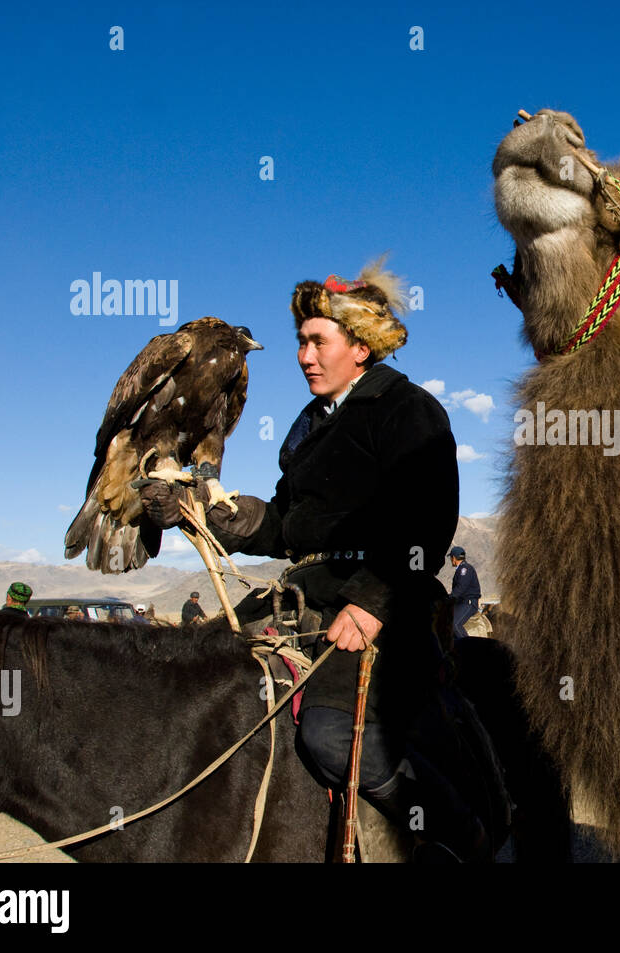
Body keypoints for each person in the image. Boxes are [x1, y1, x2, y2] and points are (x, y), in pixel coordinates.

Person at [139, 263, 495, 861]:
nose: (303, 355)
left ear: (360, 346)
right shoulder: (308, 429)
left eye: (317, 341)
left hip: (382, 600)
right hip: (300, 596)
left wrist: (369, 603)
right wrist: (214, 509)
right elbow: (283, 525)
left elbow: (427, 520)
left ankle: (457, 833)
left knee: (331, 737)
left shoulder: (406, 408)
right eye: (301, 341)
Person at [447, 546, 481, 642]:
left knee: (455, 624)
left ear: (453, 558)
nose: (451, 560)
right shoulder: (463, 568)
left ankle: (468, 647)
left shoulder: (464, 569)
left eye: (451, 558)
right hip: (462, 602)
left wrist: (449, 597)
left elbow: (461, 588)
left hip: (468, 603)